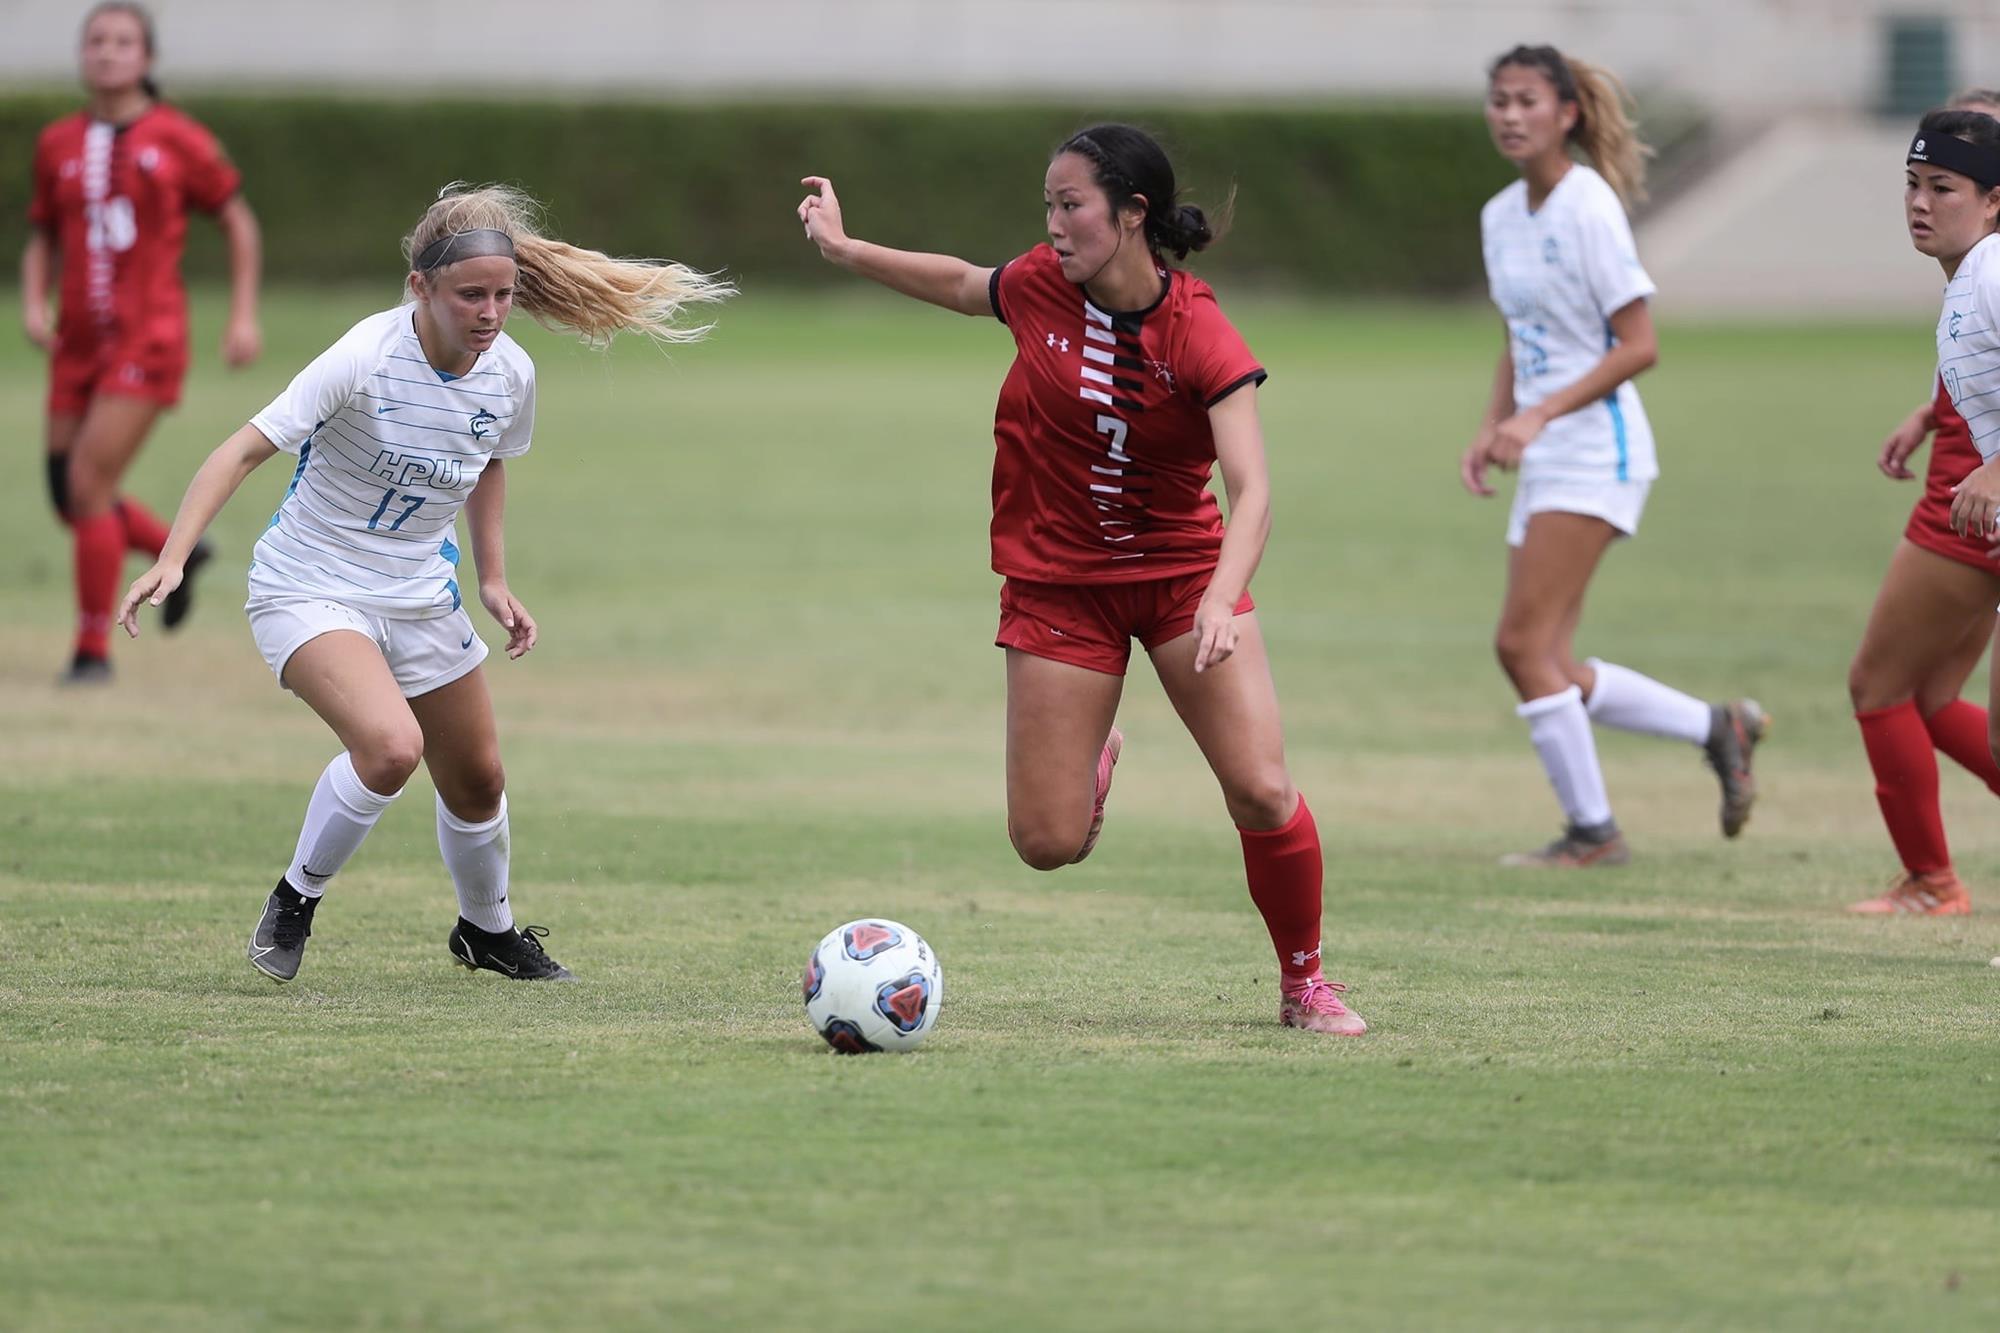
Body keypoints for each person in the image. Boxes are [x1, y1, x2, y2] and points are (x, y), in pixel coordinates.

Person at [798, 123, 1367, 1035]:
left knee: (1261, 789)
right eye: (1049, 206)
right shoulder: (1039, 285)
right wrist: (846, 248)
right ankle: (1092, 764)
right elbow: (963, 283)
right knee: (1045, 842)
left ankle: (1306, 985)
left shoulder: (1200, 333)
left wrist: (1223, 596)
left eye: (1072, 206)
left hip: (1182, 579)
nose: (1054, 226)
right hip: (1060, 583)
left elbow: (1253, 488)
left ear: (1132, 214)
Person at [118, 183, 731, 983]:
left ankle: (487, 930)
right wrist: (172, 556)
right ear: (421, 287)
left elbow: (489, 463)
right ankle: (295, 898)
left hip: (417, 592)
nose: (491, 312)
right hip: (310, 585)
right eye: (471, 295)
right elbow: (242, 449)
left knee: (479, 779)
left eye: (503, 295)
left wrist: (494, 579)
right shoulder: (364, 356)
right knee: (390, 748)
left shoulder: (510, 373)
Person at [1463, 44, 1766, 868]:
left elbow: (1639, 344)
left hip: (1599, 449)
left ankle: (1594, 833)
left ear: (1567, 113)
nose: (1510, 115)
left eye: (1527, 100)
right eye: (1500, 100)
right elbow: (1519, 333)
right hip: (1548, 451)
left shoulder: (1588, 204)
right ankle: (1718, 726)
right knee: (1549, 660)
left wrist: (1537, 416)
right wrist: (1494, 423)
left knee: (1520, 648)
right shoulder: (1500, 214)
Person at [23, 1, 262, 684]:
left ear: (146, 58)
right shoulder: (58, 143)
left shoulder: (178, 137)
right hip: (77, 342)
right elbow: (43, 233)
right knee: (66, 494)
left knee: (89, 486)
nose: (107, 51)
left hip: (146, 338)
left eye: (123, 41)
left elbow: (238, 222)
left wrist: (242, 316)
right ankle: (177, 549)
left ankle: (91, 652)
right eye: (96, 40)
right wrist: (35, 299)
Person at [1846, 95, 2000, 916]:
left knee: (1884, 686)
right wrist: (1931, 414)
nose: (1919, 202)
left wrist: (1995, 468)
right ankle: (1931, 883)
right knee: (1949, 706)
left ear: (1993, 199)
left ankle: (1932, 884)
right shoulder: (1972, 278)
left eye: (1942, 187)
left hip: (1973, 506)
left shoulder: (1993, 270)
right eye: (1913, 184)